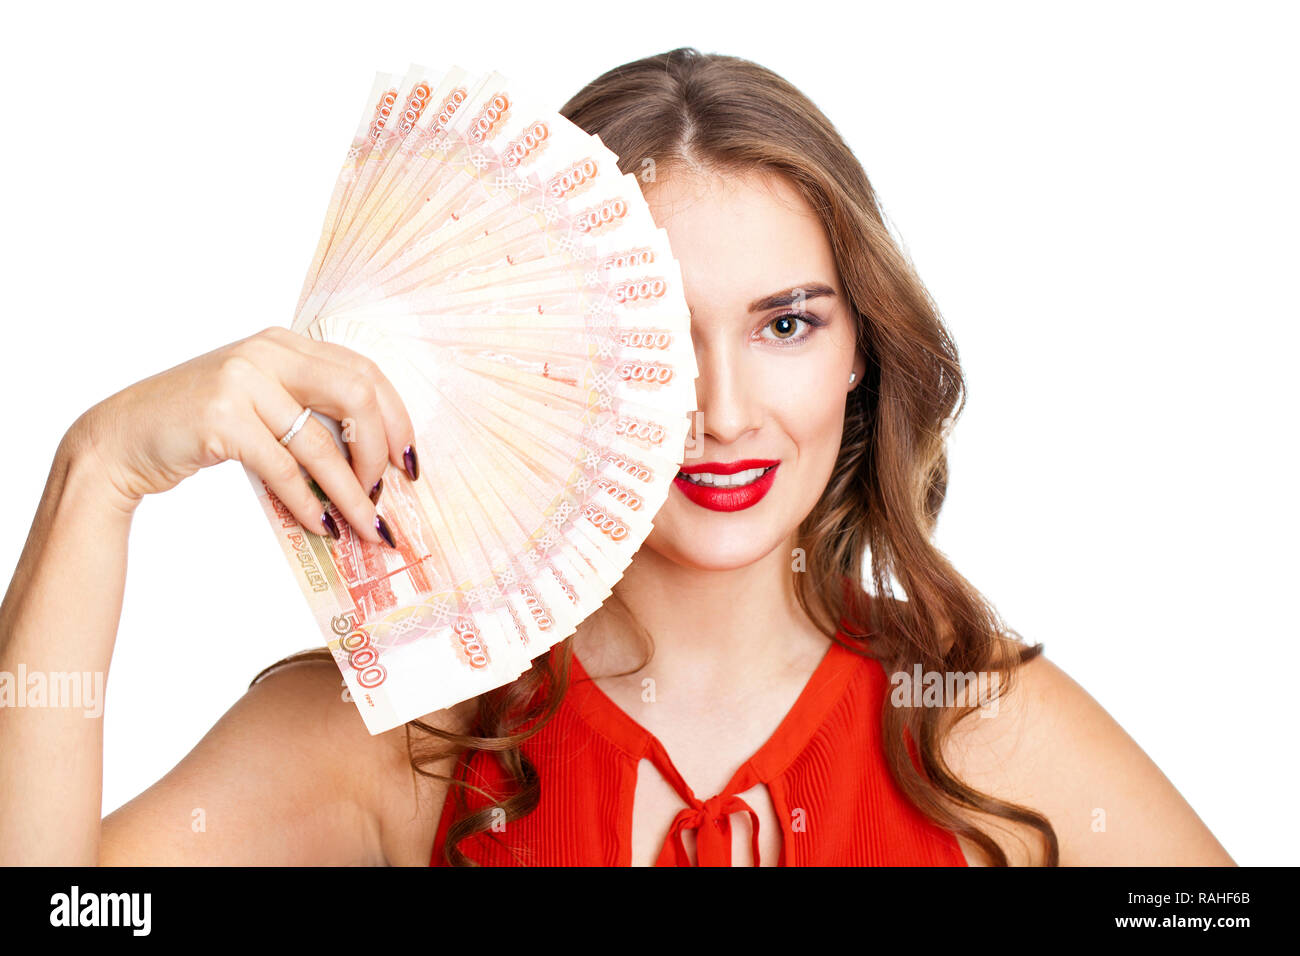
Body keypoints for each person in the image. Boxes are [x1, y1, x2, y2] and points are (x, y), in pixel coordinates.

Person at [0, 48, 1234, 867]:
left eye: (786, 322)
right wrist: (95, 471)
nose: (725, 409)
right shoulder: (403, 732)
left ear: (861, 351)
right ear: (547, 356)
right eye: (654, 338)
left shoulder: (972, 728)